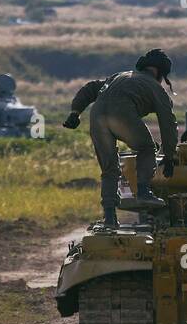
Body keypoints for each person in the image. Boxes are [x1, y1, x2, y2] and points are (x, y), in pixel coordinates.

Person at [63, 48, 178, 225]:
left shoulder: (119, 76)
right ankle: (143, 191)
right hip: (121, 113)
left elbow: (91, 88)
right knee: (147, 147)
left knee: (109, 169)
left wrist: (75, 112)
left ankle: (109, 217)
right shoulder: (156, 88)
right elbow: (168, 123)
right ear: (160, 73)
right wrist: (169, 156)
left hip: (97, 115)